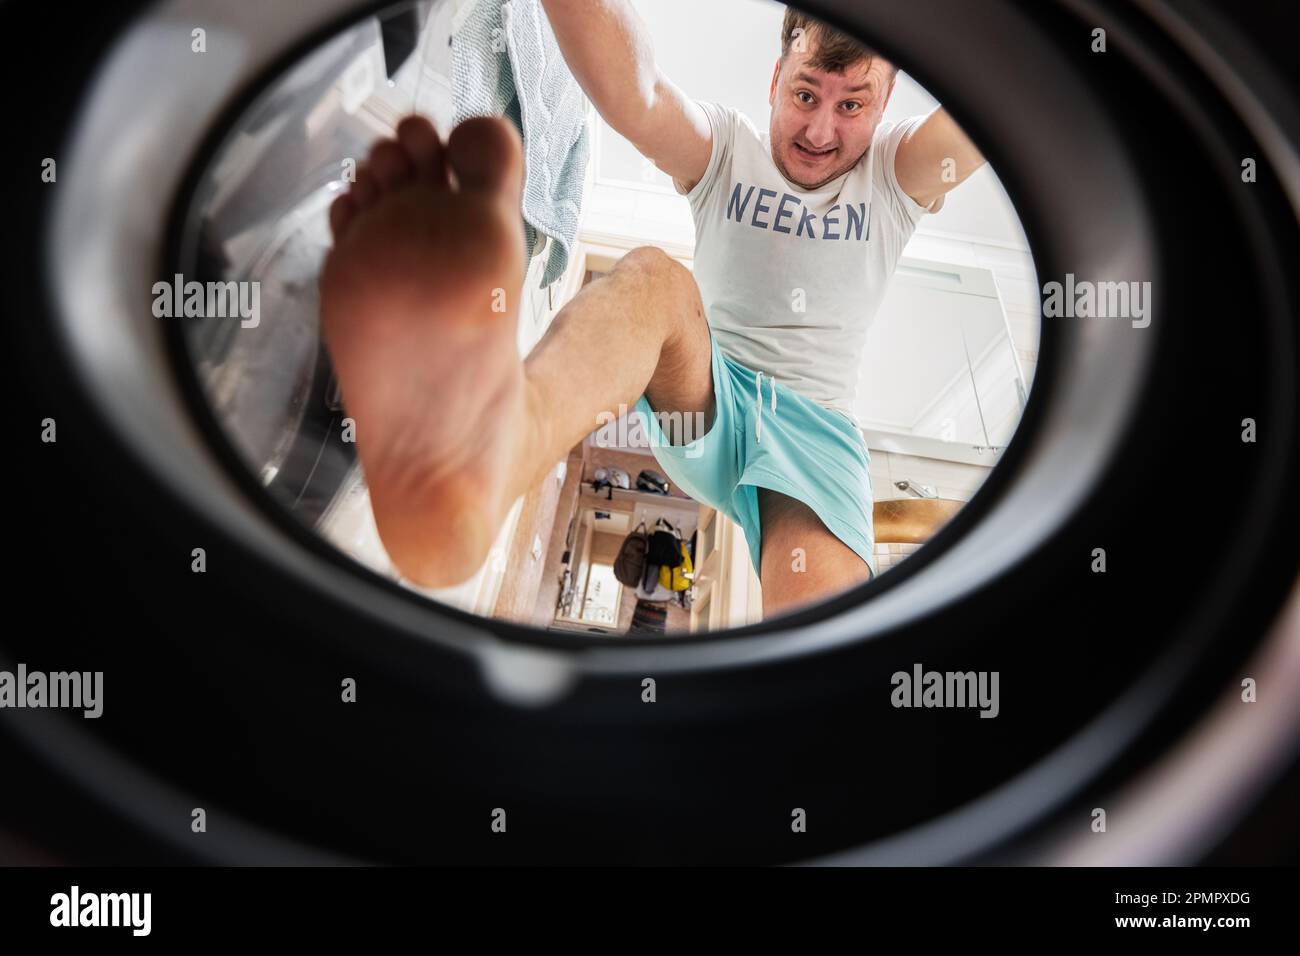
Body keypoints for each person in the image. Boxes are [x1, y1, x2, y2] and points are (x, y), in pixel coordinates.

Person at [319, 3, 986, 617]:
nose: (819, 128)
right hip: (708, 391)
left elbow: (995, 106)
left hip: (817, 444)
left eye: (852, 106)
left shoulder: (897, 176)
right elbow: (635, 94)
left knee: (831, 641)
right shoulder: (728, 150)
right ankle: (485, 461)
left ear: (886, 102)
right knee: (656, 279)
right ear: (776, 79)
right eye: (806, 93)